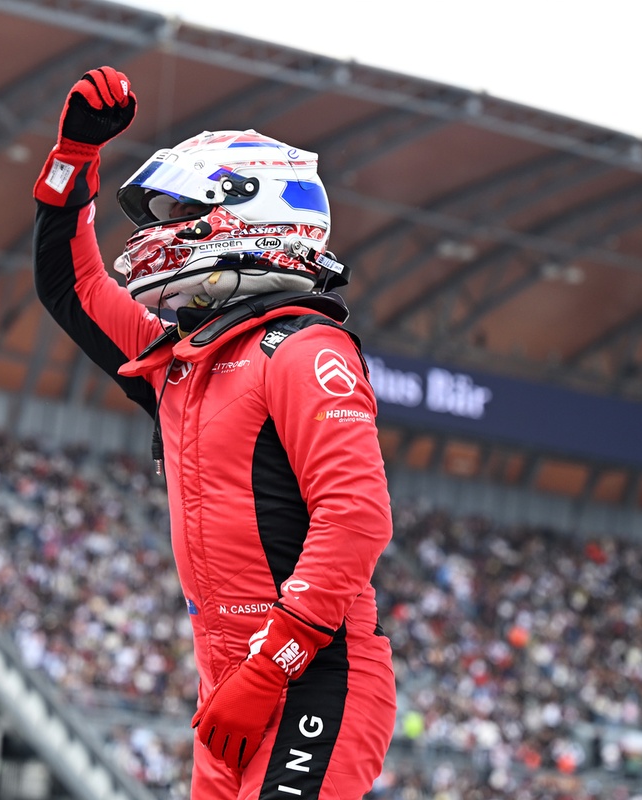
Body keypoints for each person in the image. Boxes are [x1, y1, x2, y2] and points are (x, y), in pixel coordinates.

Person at [31, 66, 397, 799]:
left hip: (311, 676)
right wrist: (75, 154)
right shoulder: (182, 362)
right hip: (227, 679)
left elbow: (356, 520)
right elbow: (70, 287)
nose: (159, 236)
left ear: (247, 213)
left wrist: (270, 669)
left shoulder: (304, 349)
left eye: (175, 214)